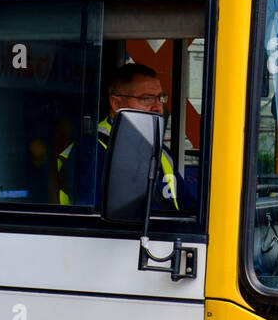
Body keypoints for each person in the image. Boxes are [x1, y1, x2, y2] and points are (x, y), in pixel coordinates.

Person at [57, 62, 194, 213]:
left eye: (160, 98)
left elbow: (188, 209)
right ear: (116, 104)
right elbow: (101, 220)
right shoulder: (90, 152)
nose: (158, 107)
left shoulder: (161, 152)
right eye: (147, 99)